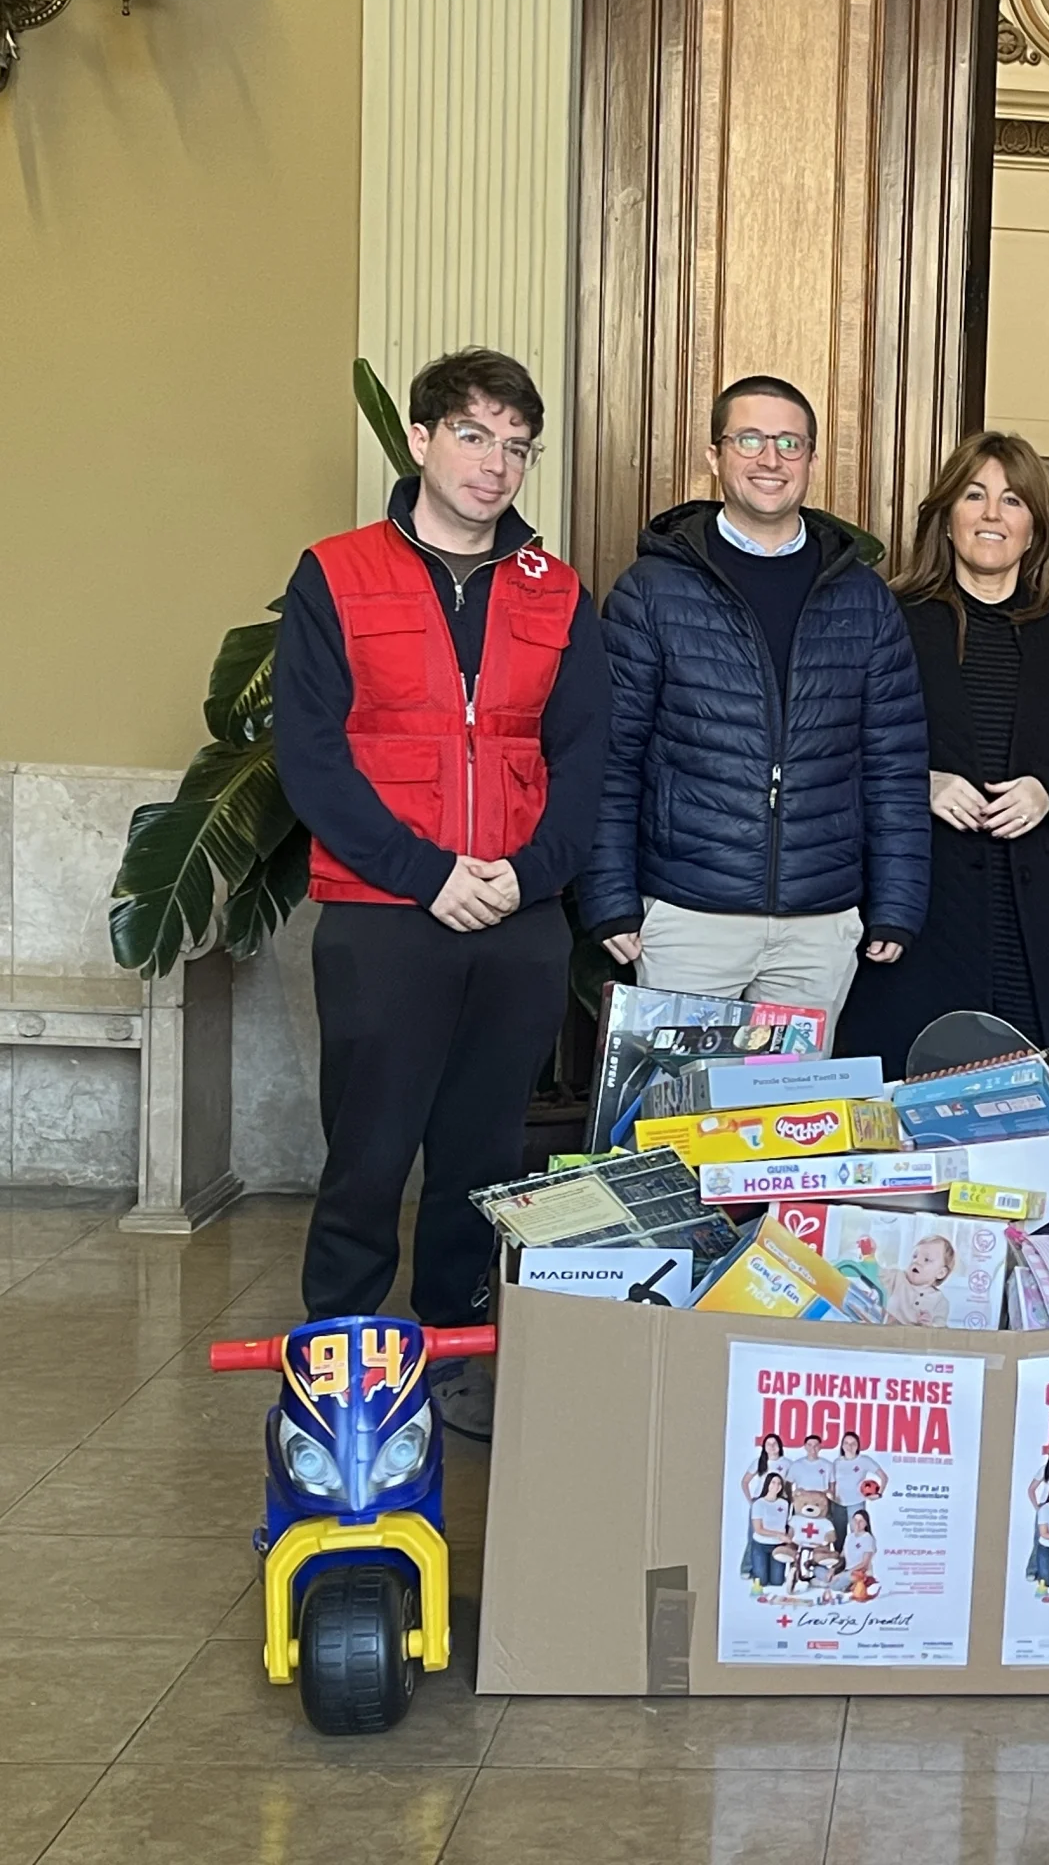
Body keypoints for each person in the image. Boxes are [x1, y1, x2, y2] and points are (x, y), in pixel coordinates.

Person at [274, 348, 609, 1442]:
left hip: (517, 922)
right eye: (474, 435)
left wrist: (522, 878)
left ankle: (451, 1353)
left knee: (481, 1155)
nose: (496, 463)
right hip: (385, 917)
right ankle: (337, 1358)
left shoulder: (555, 593)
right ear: (420, 441)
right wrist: (430, 877)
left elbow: (586, 761)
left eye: (517, 445)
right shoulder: (337, 573)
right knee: (369, 1151)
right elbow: (312, 760)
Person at [584, 374, 929, 1033]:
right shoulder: (651, 592)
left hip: (819, 924)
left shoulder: (863, 598)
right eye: (750, 439)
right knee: (675, 1120)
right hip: (689, 914)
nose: (770, 459)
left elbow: (894, 763)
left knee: (789, 1126)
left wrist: (898, 899)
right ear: (715, 456)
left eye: (789, 443)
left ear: (810, 461)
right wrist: (608, 896)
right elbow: (612, 756)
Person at [839, 433, 1049, 1101]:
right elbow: (835, 746)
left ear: (1035, 527)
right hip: (923, 928)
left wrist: (1048, 790)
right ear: (946, 517)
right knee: (916, 1127)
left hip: (1046, 936)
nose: (992, 514)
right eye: (974, 495)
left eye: (1011, 499)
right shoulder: (890, 620)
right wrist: (918, 784)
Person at [748, 1472, 791, 1591]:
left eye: (779, 1483)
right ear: (767, 1484)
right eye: (773, 1482)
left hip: (778, 1546)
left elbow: (788, 1523)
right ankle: (755, 1569)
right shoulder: (758, 1504)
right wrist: (778, 1534)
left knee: (777, 1582)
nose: (776, 1486)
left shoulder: (784, 1504)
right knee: (762, 1582)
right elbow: (758, 1529)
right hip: (761, 1544)